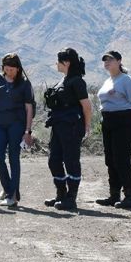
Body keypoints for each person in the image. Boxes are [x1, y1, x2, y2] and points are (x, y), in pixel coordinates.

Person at [95, 51, 131, 209]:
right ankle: (114, 195)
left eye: (110, 59)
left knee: (121, 159)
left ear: (119, 61)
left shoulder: (126, 80)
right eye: (105, 60)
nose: (107, 62)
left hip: (125, 121)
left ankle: (130, 197)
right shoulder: (108, 81)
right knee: (110, 159)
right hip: (108, 121)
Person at [43, 48, 92, 211]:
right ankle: (61, 194)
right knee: (54, 160)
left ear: (67, 62)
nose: (56, 64)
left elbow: (86, 105)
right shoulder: (63, 80)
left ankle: (71, 198)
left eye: (58, 61)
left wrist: (86, 126)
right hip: (58, 125)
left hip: (72, 126)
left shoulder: (77, 81)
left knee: (71, 160)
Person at [0, 53, 35, 208]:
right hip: (0, 124)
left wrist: (27, 131)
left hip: (16, 125)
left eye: (12, 70)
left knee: (14, 158)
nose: (9, 72)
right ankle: (7, 188)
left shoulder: (25, 84)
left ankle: (12, 195)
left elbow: (29, 108)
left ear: (18, 69)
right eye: (6, 69)